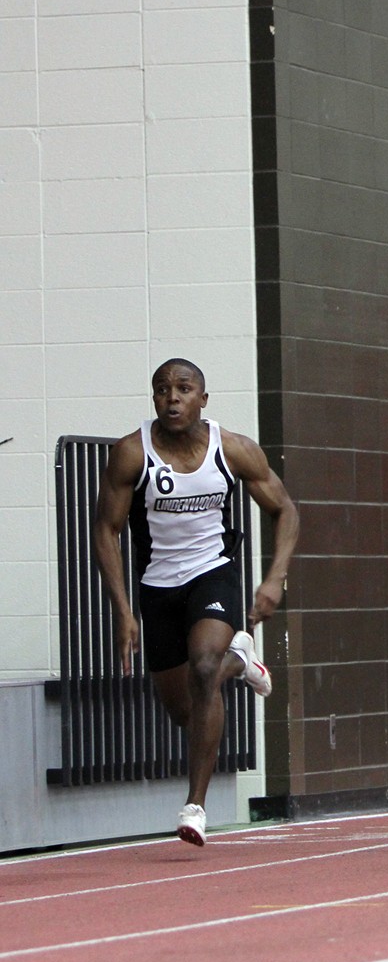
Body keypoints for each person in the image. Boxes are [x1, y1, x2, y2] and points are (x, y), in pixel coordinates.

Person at [93, 359, 298, 846]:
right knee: (185, 711)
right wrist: (123, 610)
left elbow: (285, 509)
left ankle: (195, 806)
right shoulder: (132, 453)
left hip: (213, 573)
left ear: (202, 399)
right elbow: (105, 529)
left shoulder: (232, 449)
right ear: (154, 399)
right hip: (158, 586)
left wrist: (275, 579)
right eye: (162, 390)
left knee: (204, 668)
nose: (173, 398)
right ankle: (240, 660)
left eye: (184, 389)